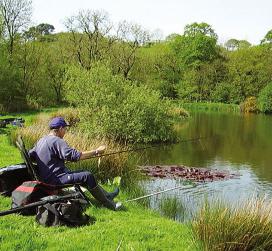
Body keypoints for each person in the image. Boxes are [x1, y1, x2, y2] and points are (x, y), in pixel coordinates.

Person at [29, 116, 121, 210]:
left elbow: (31, 155)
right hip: (57, 179)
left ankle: (107, 196)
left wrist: (51, 160)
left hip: (47, 178)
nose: (65, 131)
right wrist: (96, 151)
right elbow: (76, 156)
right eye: (65, 129)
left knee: (83, 173)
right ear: (60, 128)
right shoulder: (58, 141)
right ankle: (110, 205)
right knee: (87, 176)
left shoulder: (41, 140)